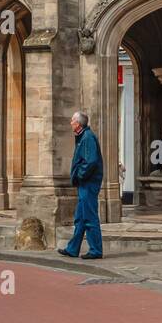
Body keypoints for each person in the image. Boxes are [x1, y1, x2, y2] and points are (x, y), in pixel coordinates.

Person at [59, 110, 104, 261]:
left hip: (88, 183)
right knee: (80, 217)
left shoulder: (87, 137)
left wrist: (79, 175)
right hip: (85, 183)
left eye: (72, 120)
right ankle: (73, 249)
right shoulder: (83, 136)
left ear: (78, 124)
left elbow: (90, 161)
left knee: (90, 216)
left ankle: (96, 250)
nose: (70, 123)